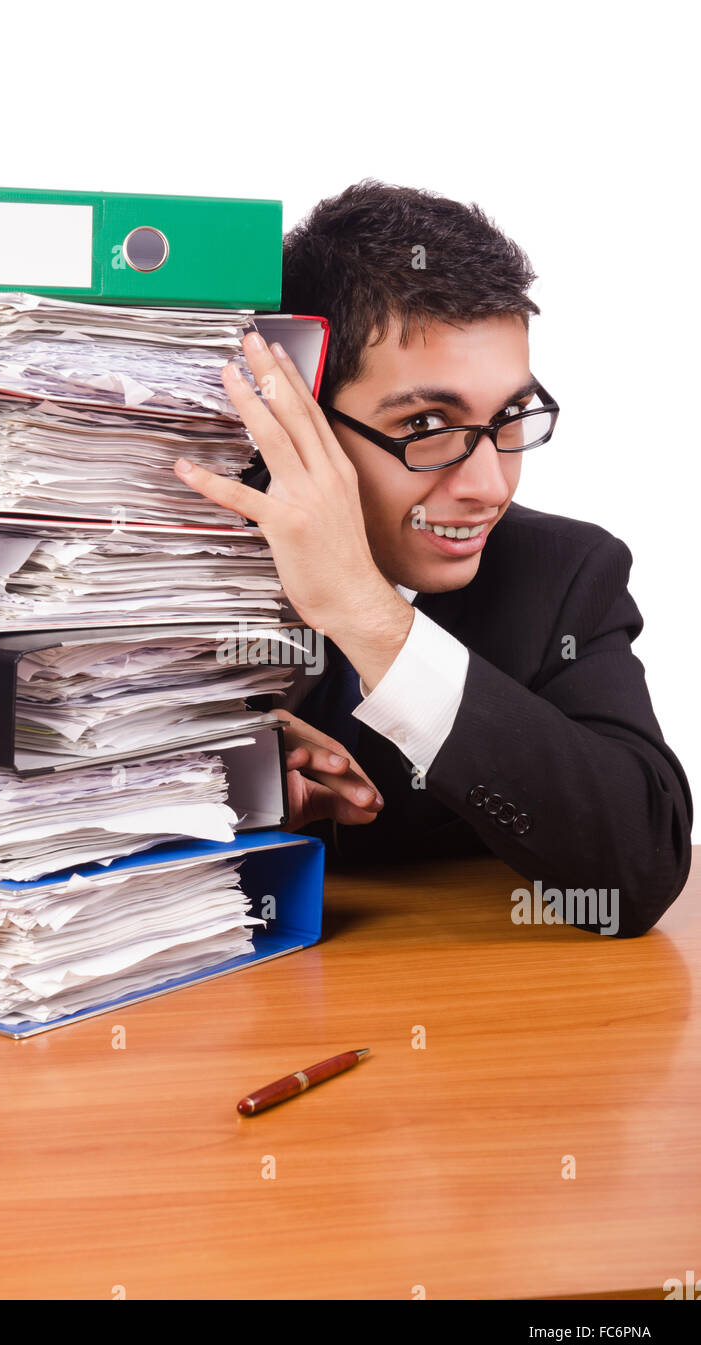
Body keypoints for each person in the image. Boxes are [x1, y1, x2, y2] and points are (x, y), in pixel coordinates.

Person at [172, 179, 692, 937]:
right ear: (293, 415)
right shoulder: (140, 570)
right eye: (425, 424)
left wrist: (372, 621)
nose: (490, 487)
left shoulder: (563, 575)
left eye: (509, 416)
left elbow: (638, 869)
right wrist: (214, 784)